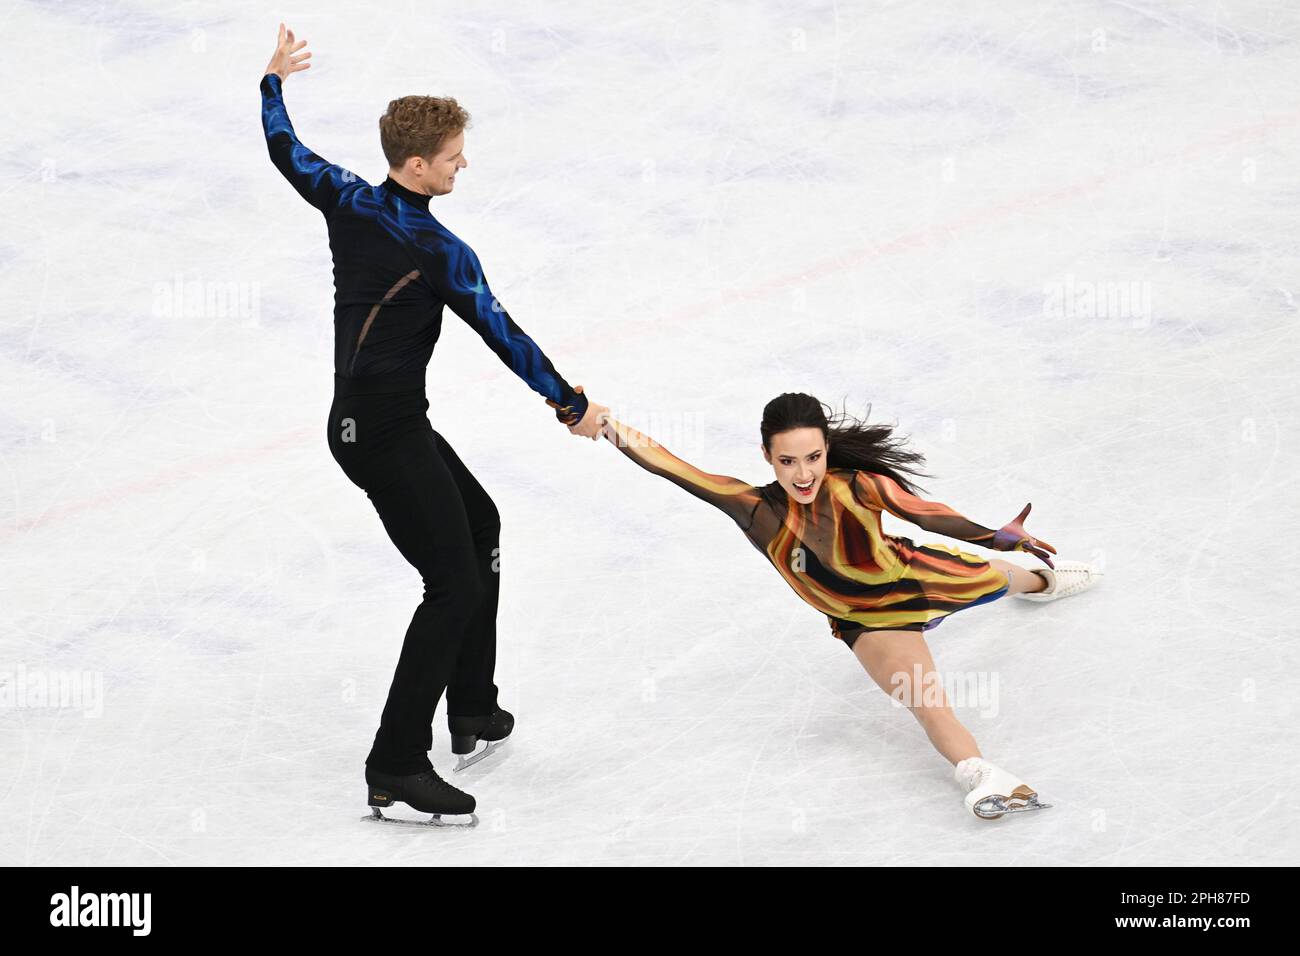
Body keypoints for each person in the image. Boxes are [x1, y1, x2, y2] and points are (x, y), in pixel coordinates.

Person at [260, 24, 608, 827]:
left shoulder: (348, 196)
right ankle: (395, 763)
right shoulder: (438, 247)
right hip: (378, 436)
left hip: (378, 421)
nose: (462, 165)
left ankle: (473, 709)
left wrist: (271, 84)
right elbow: (503, 332)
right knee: (448, 583)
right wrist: (569, 402)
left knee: (480, 523)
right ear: (416, 165)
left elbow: (287, 150)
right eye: (453, 156)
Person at [592, 393, 1102, 820]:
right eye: (787, 460)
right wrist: (603, 425)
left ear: (826, 449)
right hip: (867, 621)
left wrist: (996, 537)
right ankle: (983, 776)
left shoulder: (859, 485)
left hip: (915, 574)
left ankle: (1044, 583)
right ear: (767, 456)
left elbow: (928, 516)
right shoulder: (754, 509)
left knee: (1003, 579)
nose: (802, 472)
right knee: (923, 698)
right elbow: (666, 462)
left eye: (812, 457)